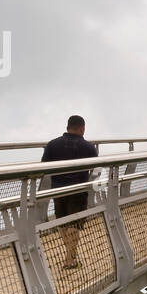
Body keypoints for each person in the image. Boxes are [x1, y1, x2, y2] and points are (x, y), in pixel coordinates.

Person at [41, 115, 99, 270]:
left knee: (62, 222)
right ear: (82, 128)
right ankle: (69, 260)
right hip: (78, 190)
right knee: (75, 224)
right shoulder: (88, 147)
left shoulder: (52, 145)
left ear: (67, 127)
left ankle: (69, 257)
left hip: (58, 189)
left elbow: (44, 166)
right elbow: (96, 169)